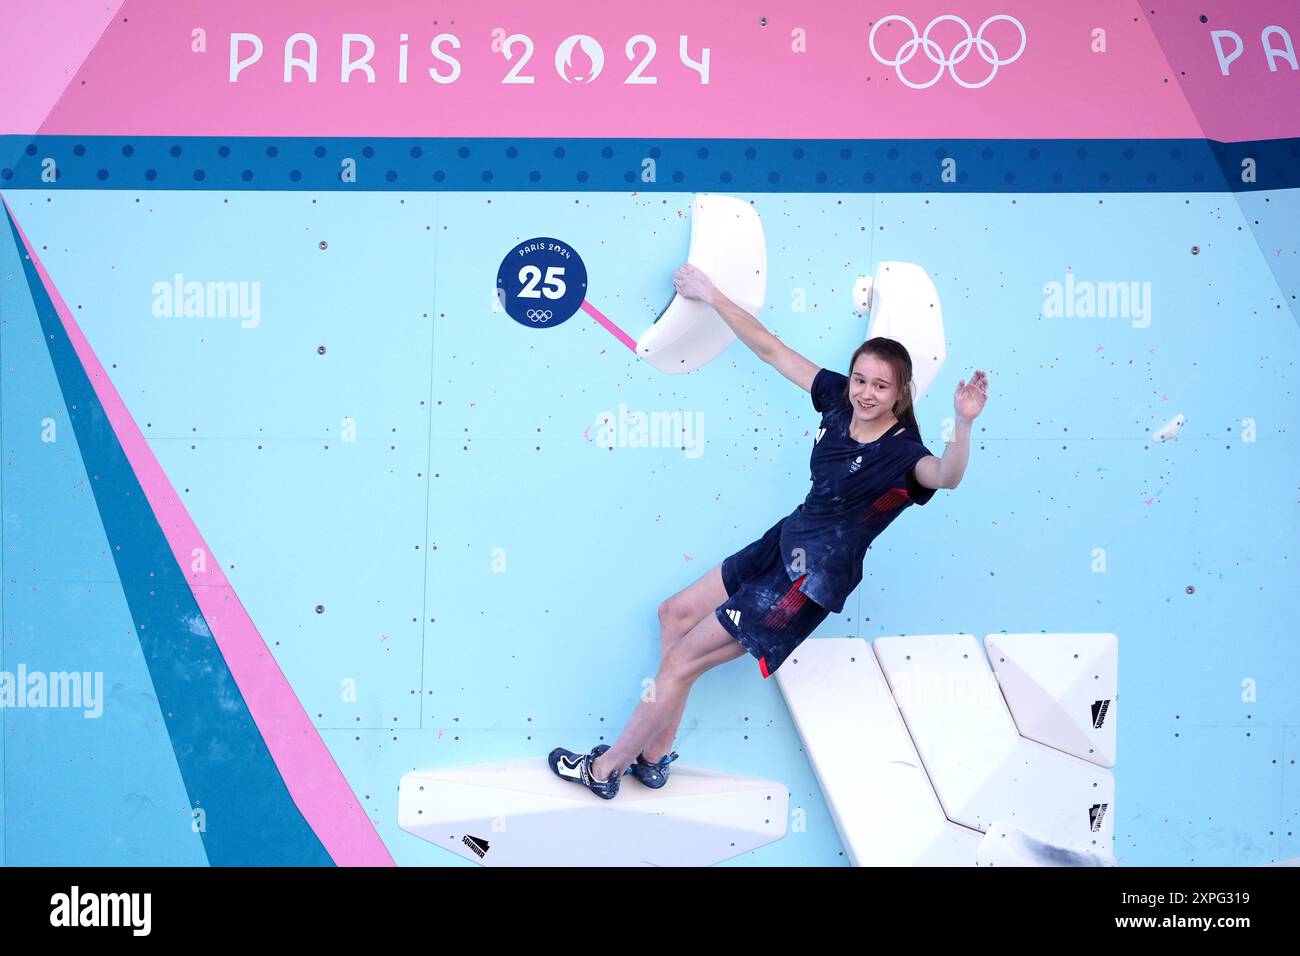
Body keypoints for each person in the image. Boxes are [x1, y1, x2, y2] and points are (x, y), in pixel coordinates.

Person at [549, 262, 988, 799]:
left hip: (808, 579)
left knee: (683, 660)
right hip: (785, 540)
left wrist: (962, 424)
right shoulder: (837, 400)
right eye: (860, 380)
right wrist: (712, 293)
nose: (865, 393)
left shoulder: (904, 454)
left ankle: (604, 769)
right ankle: (654, 758)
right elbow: (771, 350)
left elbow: (946, 477)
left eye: (880, 386)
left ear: (899, 393)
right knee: (675, 616)